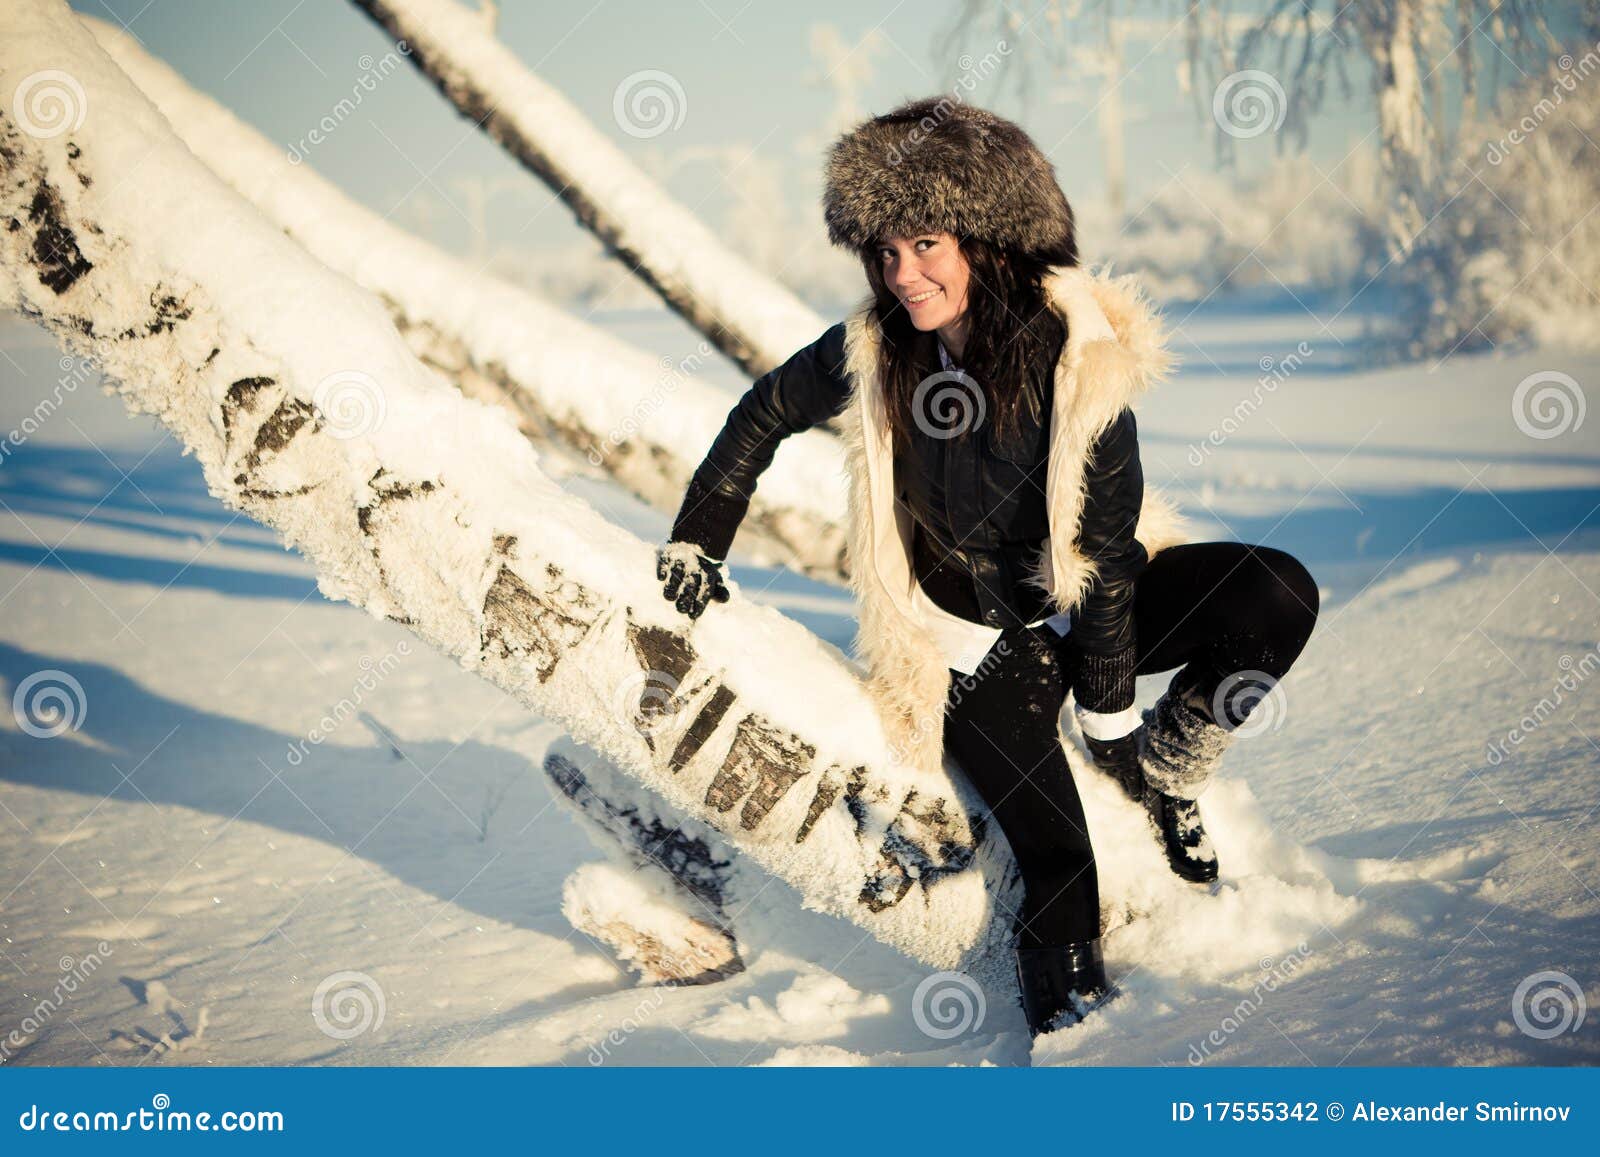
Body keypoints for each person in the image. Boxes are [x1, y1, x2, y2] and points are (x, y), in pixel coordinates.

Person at [655, 96, 1319, 1038]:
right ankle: (1077, 1041)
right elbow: (761, 411)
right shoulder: (876, 346)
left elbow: (1107, 560)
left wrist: (1116, 722)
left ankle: (1177, 771)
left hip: (1084, 602)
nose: (902, 274)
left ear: (989, 239)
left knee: (1275, 590)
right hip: (968, 643)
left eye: (924, 243)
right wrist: (697, 537)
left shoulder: (1079, 362)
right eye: (884, 252)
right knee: (1060, 859)